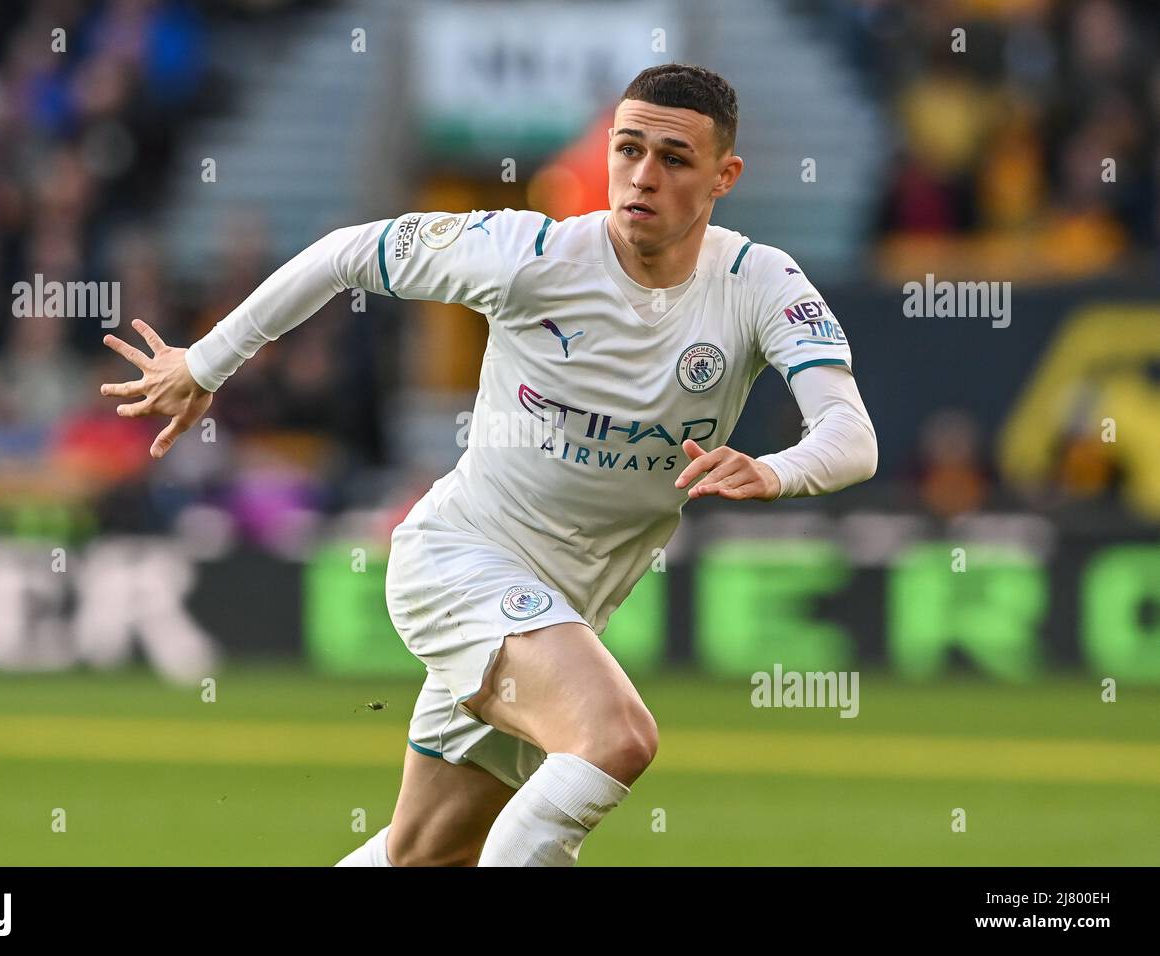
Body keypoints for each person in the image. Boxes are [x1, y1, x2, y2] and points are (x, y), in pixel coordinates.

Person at [99, 63, 878, 866]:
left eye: (674, 159)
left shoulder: (760, 284)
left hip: (560, 609)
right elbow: (344, 254)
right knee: (616, 738)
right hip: (460, 563)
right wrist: (206, 365)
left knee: (426, 855)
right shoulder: (527, 253)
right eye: (628, 149)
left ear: (725, 175)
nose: (642, 176)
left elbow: (850, 435)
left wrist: (778, 470)